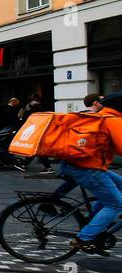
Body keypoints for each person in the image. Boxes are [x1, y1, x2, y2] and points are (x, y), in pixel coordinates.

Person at [59, 93, 122, 252]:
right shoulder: (113, 121)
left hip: (76, 164)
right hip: (88, 169)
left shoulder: (97, 117)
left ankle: (95, 219)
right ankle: (84, 237)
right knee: (116, 204)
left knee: (119, 186)